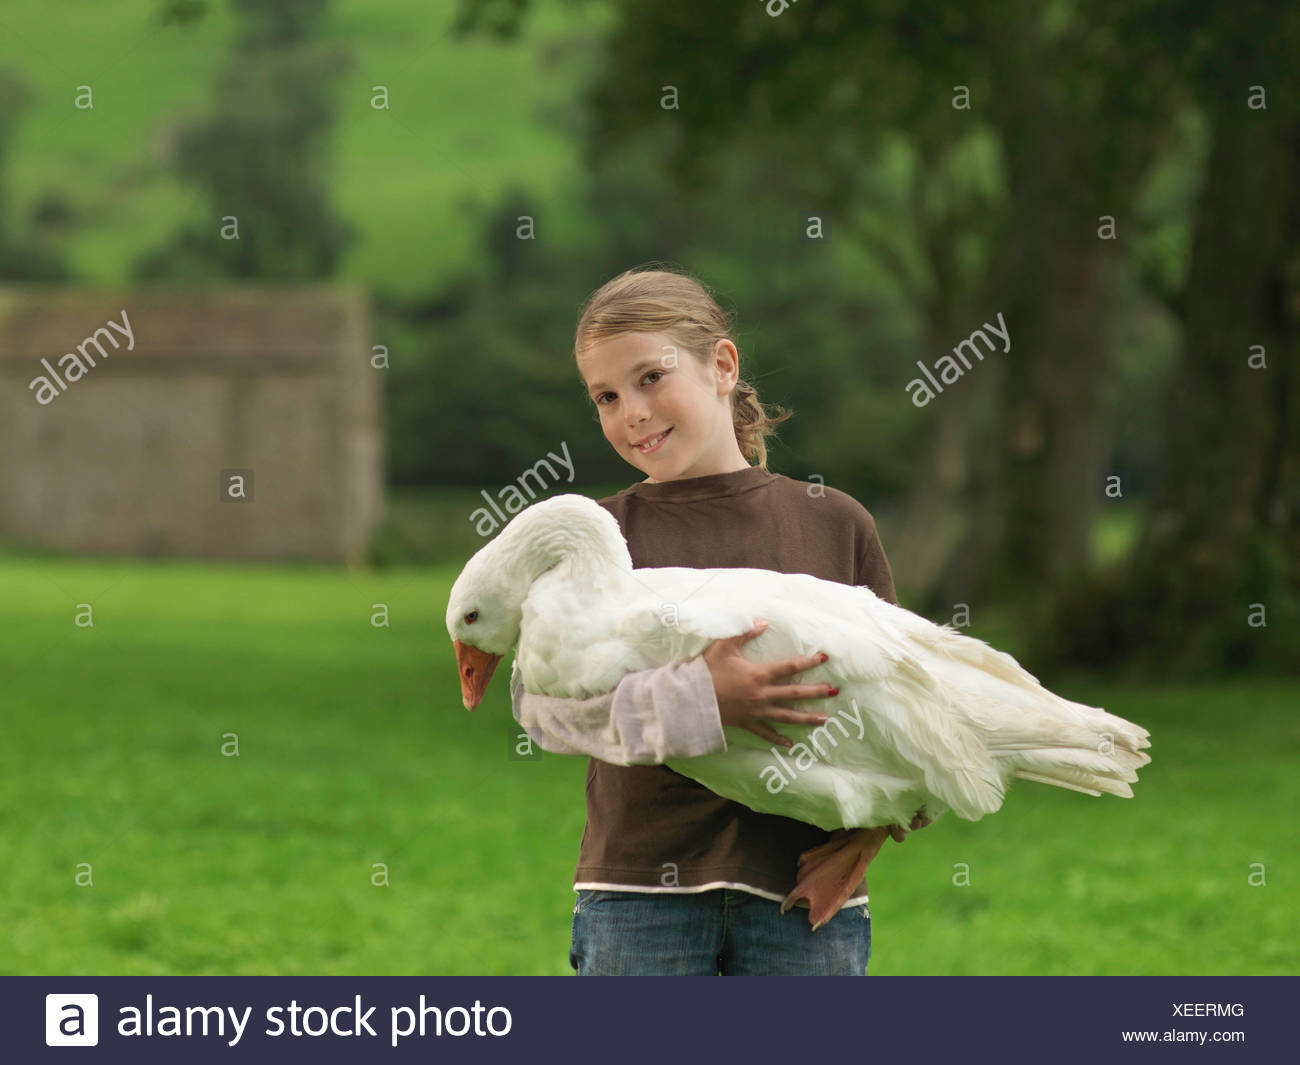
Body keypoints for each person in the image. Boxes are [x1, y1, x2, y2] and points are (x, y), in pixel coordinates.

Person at [511, 265, 930, 975]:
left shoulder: (834, 523)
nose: (632, 411)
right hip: (639, 897)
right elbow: (541, 710)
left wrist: (869, 837)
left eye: (650, 377)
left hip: (803, 898)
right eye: (606, 396)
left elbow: (917, 702)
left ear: (723, 365)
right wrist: (700, 701)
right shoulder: (594, 539)